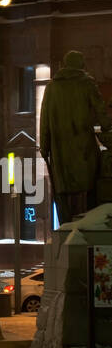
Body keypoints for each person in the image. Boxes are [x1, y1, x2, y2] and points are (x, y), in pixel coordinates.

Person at [40, 50, 112, 225]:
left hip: (60, 151)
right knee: (91, 185)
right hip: (84, 147)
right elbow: (100, 109)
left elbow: (44, 120)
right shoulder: (87, 83)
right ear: (80, 64)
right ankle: (90, 223)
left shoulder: (52, 87)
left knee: (63, 191)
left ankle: (66, 225)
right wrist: (107, 126)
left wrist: (44, 146)